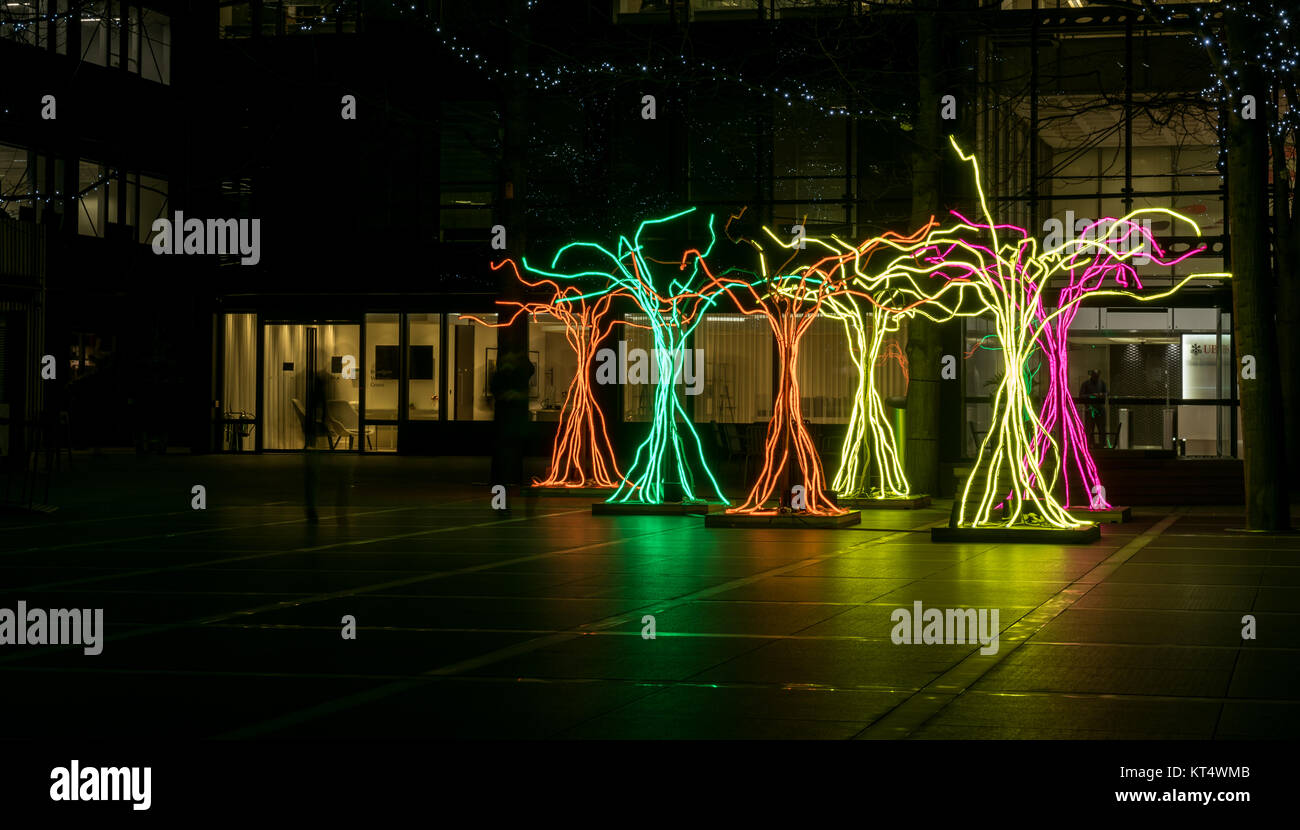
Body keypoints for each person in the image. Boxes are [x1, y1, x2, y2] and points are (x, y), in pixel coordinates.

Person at [1079, 368, 1108, 449]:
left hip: (1100, 409)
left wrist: (1101, 394)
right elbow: (1081, 396)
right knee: (1089, 429)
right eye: (1094, 376)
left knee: (1102, 428)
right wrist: (1092, 395)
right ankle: (1089, 445)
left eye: (1097, 376)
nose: (1096, 377)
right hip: (1090, 409)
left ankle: (1103, 445)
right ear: (1091, 375)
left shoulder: (1102, 383)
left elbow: (1106, 393)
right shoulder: (1085, 384)